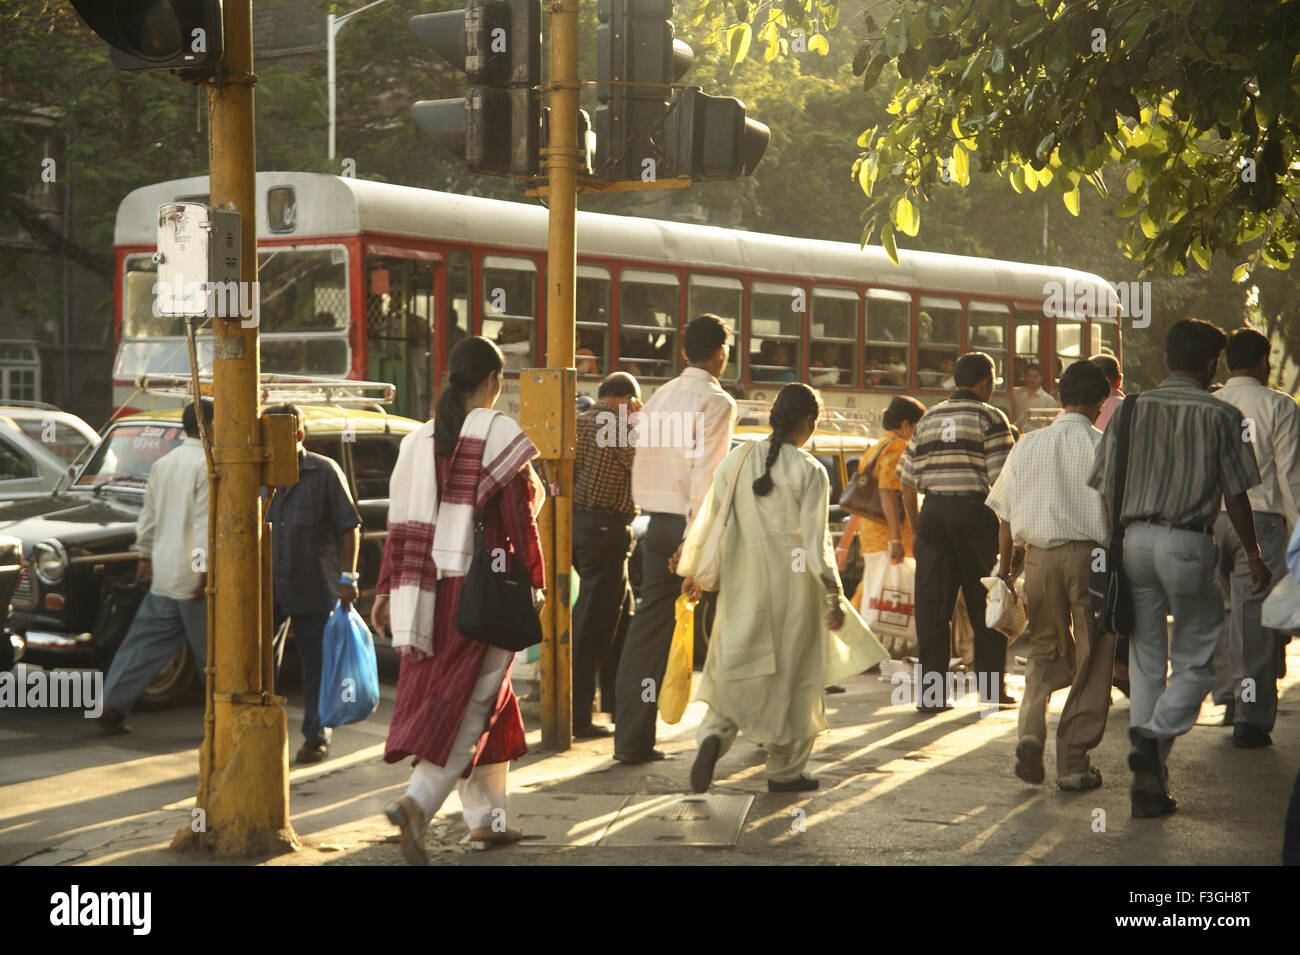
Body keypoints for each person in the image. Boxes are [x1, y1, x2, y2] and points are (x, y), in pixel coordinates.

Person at [1088, 318, 1271, 818]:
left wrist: (1117, 545)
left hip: (1133, 542)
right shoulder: (1221, 414)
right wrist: (1254, 555)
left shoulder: (1129, 411)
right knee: (1200, 661)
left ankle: (1149, 784)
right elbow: (1236, 495)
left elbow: (1107, 489)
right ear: (1211, 364)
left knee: (1148, 661)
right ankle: (1152, 739)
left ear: (1167, 359)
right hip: (1189, 543)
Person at [375, 336, 545, 865]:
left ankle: (486, 822)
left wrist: (383, 589)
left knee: (490, 701)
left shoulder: (417, 440)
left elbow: (398, 524)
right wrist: (537, 581)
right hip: (483, 594)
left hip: (428, 593)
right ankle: (416, 805)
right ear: (494, 381)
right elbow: (518, 517)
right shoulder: (497, 433)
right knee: (470, 707)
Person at [686, 384, 888, 793]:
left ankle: (714, 734)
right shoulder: (810, 471)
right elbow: (818, 546)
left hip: (743, 589)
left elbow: (710, 523)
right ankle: (784, 770)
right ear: (808, 424)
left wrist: (694, 572)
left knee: (735, 667)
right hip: (796, 595)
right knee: (794, 679)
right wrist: (833, 595)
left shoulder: (736, 461)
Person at [613, 314, 736, 764]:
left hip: (654, 524)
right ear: (721, 352)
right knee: (732, 623)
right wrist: (694, 543)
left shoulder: (660, 397)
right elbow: (708, 477)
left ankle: (630, 739)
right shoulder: (716, 401)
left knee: (646, 632)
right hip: (687, 526)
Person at [986, 361, 1114, 790]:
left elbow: (1003, 516)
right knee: (1093, 654)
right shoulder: (1104, 445)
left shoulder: (1027, 445)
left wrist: (1005, 573)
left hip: (1038, 559)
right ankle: (1074, 763)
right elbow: (1114, 512)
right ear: (1101, 404)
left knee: (1043, 649)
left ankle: (1030, 733)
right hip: (1090, 560)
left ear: (1058, 399)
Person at [898, 352, 1017, 711]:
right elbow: (1003, 482)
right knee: (986, 602)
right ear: (985, 383)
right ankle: (991, 691)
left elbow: (905, 480)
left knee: (933, 609)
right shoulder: (992, 417)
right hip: (974, 516)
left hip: (932, 514)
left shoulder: (929, 418)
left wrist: (916, 527)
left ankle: (931, 697)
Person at [98, 399, 212, 734]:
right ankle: (224, 721)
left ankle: (111, 704)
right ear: (210, 426)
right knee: (215, 658)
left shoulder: (165, 463)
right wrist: (203, 574)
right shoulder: (209, 466)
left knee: (143, 643)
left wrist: (145, 556)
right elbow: (205, 525)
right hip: (194, 579)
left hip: (164, 570)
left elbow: (147, 516)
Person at [1211, 327, 1300, 748]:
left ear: (1227, 363)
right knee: (1256, 622)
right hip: (1260, 522)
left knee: (1224, 612)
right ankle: (1249, 717)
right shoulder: (1279, 405)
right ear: (1266, 360)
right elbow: (1290, 475)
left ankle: (1229, 696)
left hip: (1209, 521)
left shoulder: (1208, 403)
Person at [264, 404, 362, 764]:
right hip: (268, 587)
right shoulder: (258, 473)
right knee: (261, 665)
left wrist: (348, 577)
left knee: (316, 666)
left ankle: (316, 736)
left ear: (299, 437)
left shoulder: (324, 472)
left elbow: (349, 526)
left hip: (314, 585)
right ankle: (262, 734)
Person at [572, 372, 643, 739]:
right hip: (605, 532)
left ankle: (616, 705)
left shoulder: (579, 422)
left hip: (579, 528)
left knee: (623, 616)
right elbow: (644, 467)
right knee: (594, 625)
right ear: (628, 400)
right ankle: (578, 715)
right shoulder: (619, 425)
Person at [849, 396, 927, 621]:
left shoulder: (876, 447)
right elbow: (887, 493)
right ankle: (855, 637)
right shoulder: (898, 446)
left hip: (872, 535)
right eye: (918, 427)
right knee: (885, 597)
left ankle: (855, 637)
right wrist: (897, 540)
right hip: (888, 538)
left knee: (873, 592)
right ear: (906, 426)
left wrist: (844, 547)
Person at [1013, 363, 1060, 432]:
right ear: (1024, 377)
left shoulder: (1048, 400)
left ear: (1041, 378)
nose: (1031, 379)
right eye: (1028, 376)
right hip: (1016, 435)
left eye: (1035, 376)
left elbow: (1054, 424)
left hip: (1036, 437)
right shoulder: (1016, 394)